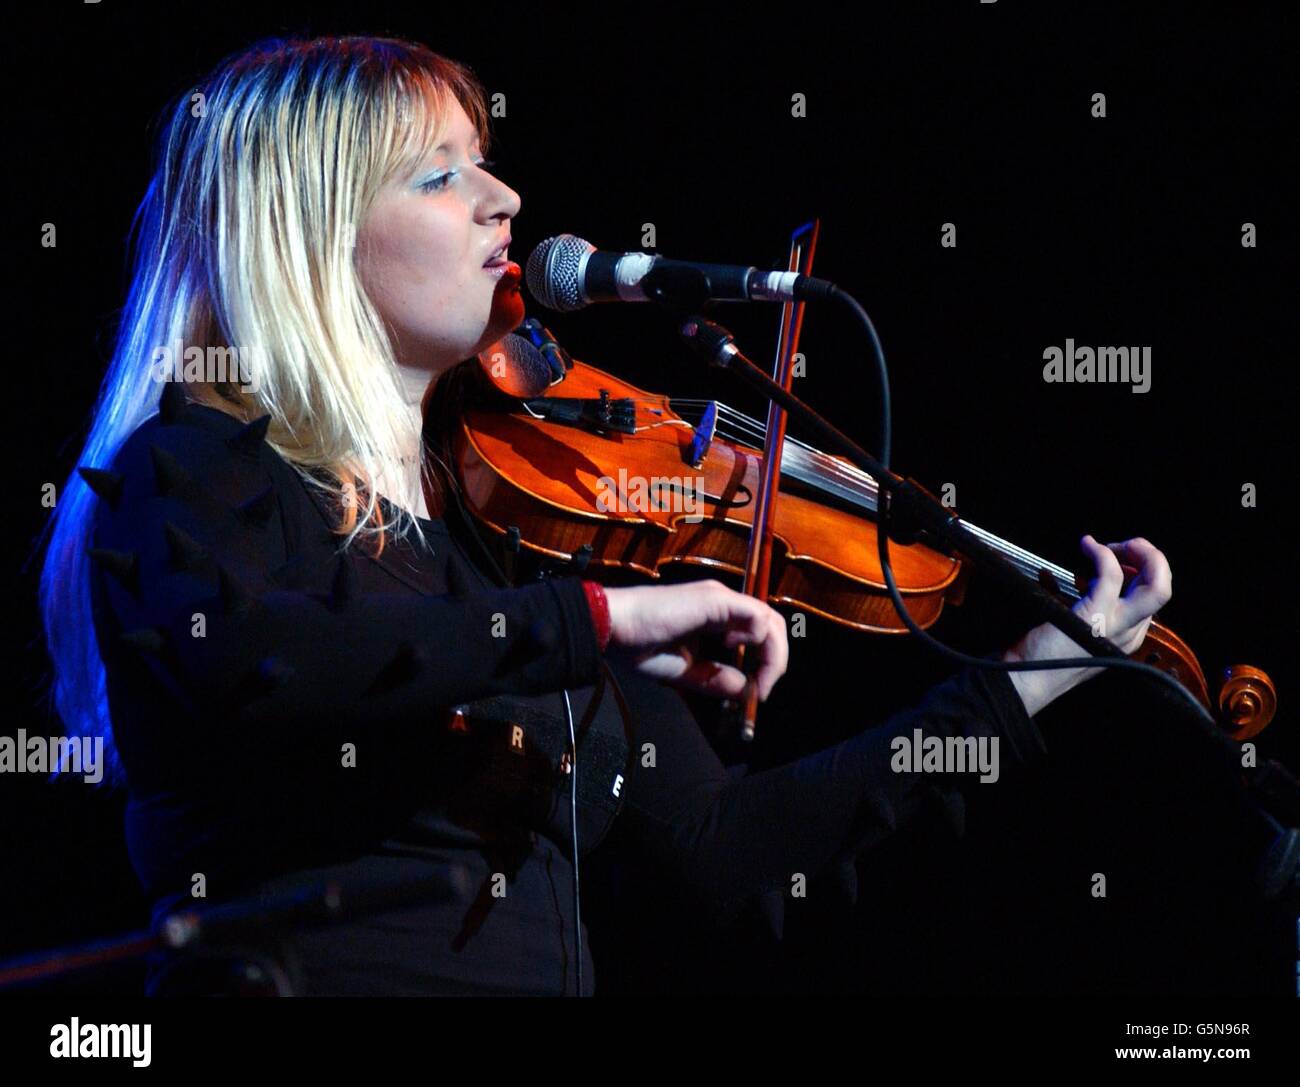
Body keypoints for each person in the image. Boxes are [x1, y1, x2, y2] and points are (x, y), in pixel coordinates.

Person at [39, 35, 1172, 996]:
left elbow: (725, 859)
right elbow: (265, 658)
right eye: (438, 176)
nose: (505, 201)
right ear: (306, 234)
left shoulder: (495, 549)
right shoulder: (186, 474)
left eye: (484, 163)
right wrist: (598, 622)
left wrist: (1027, 675)